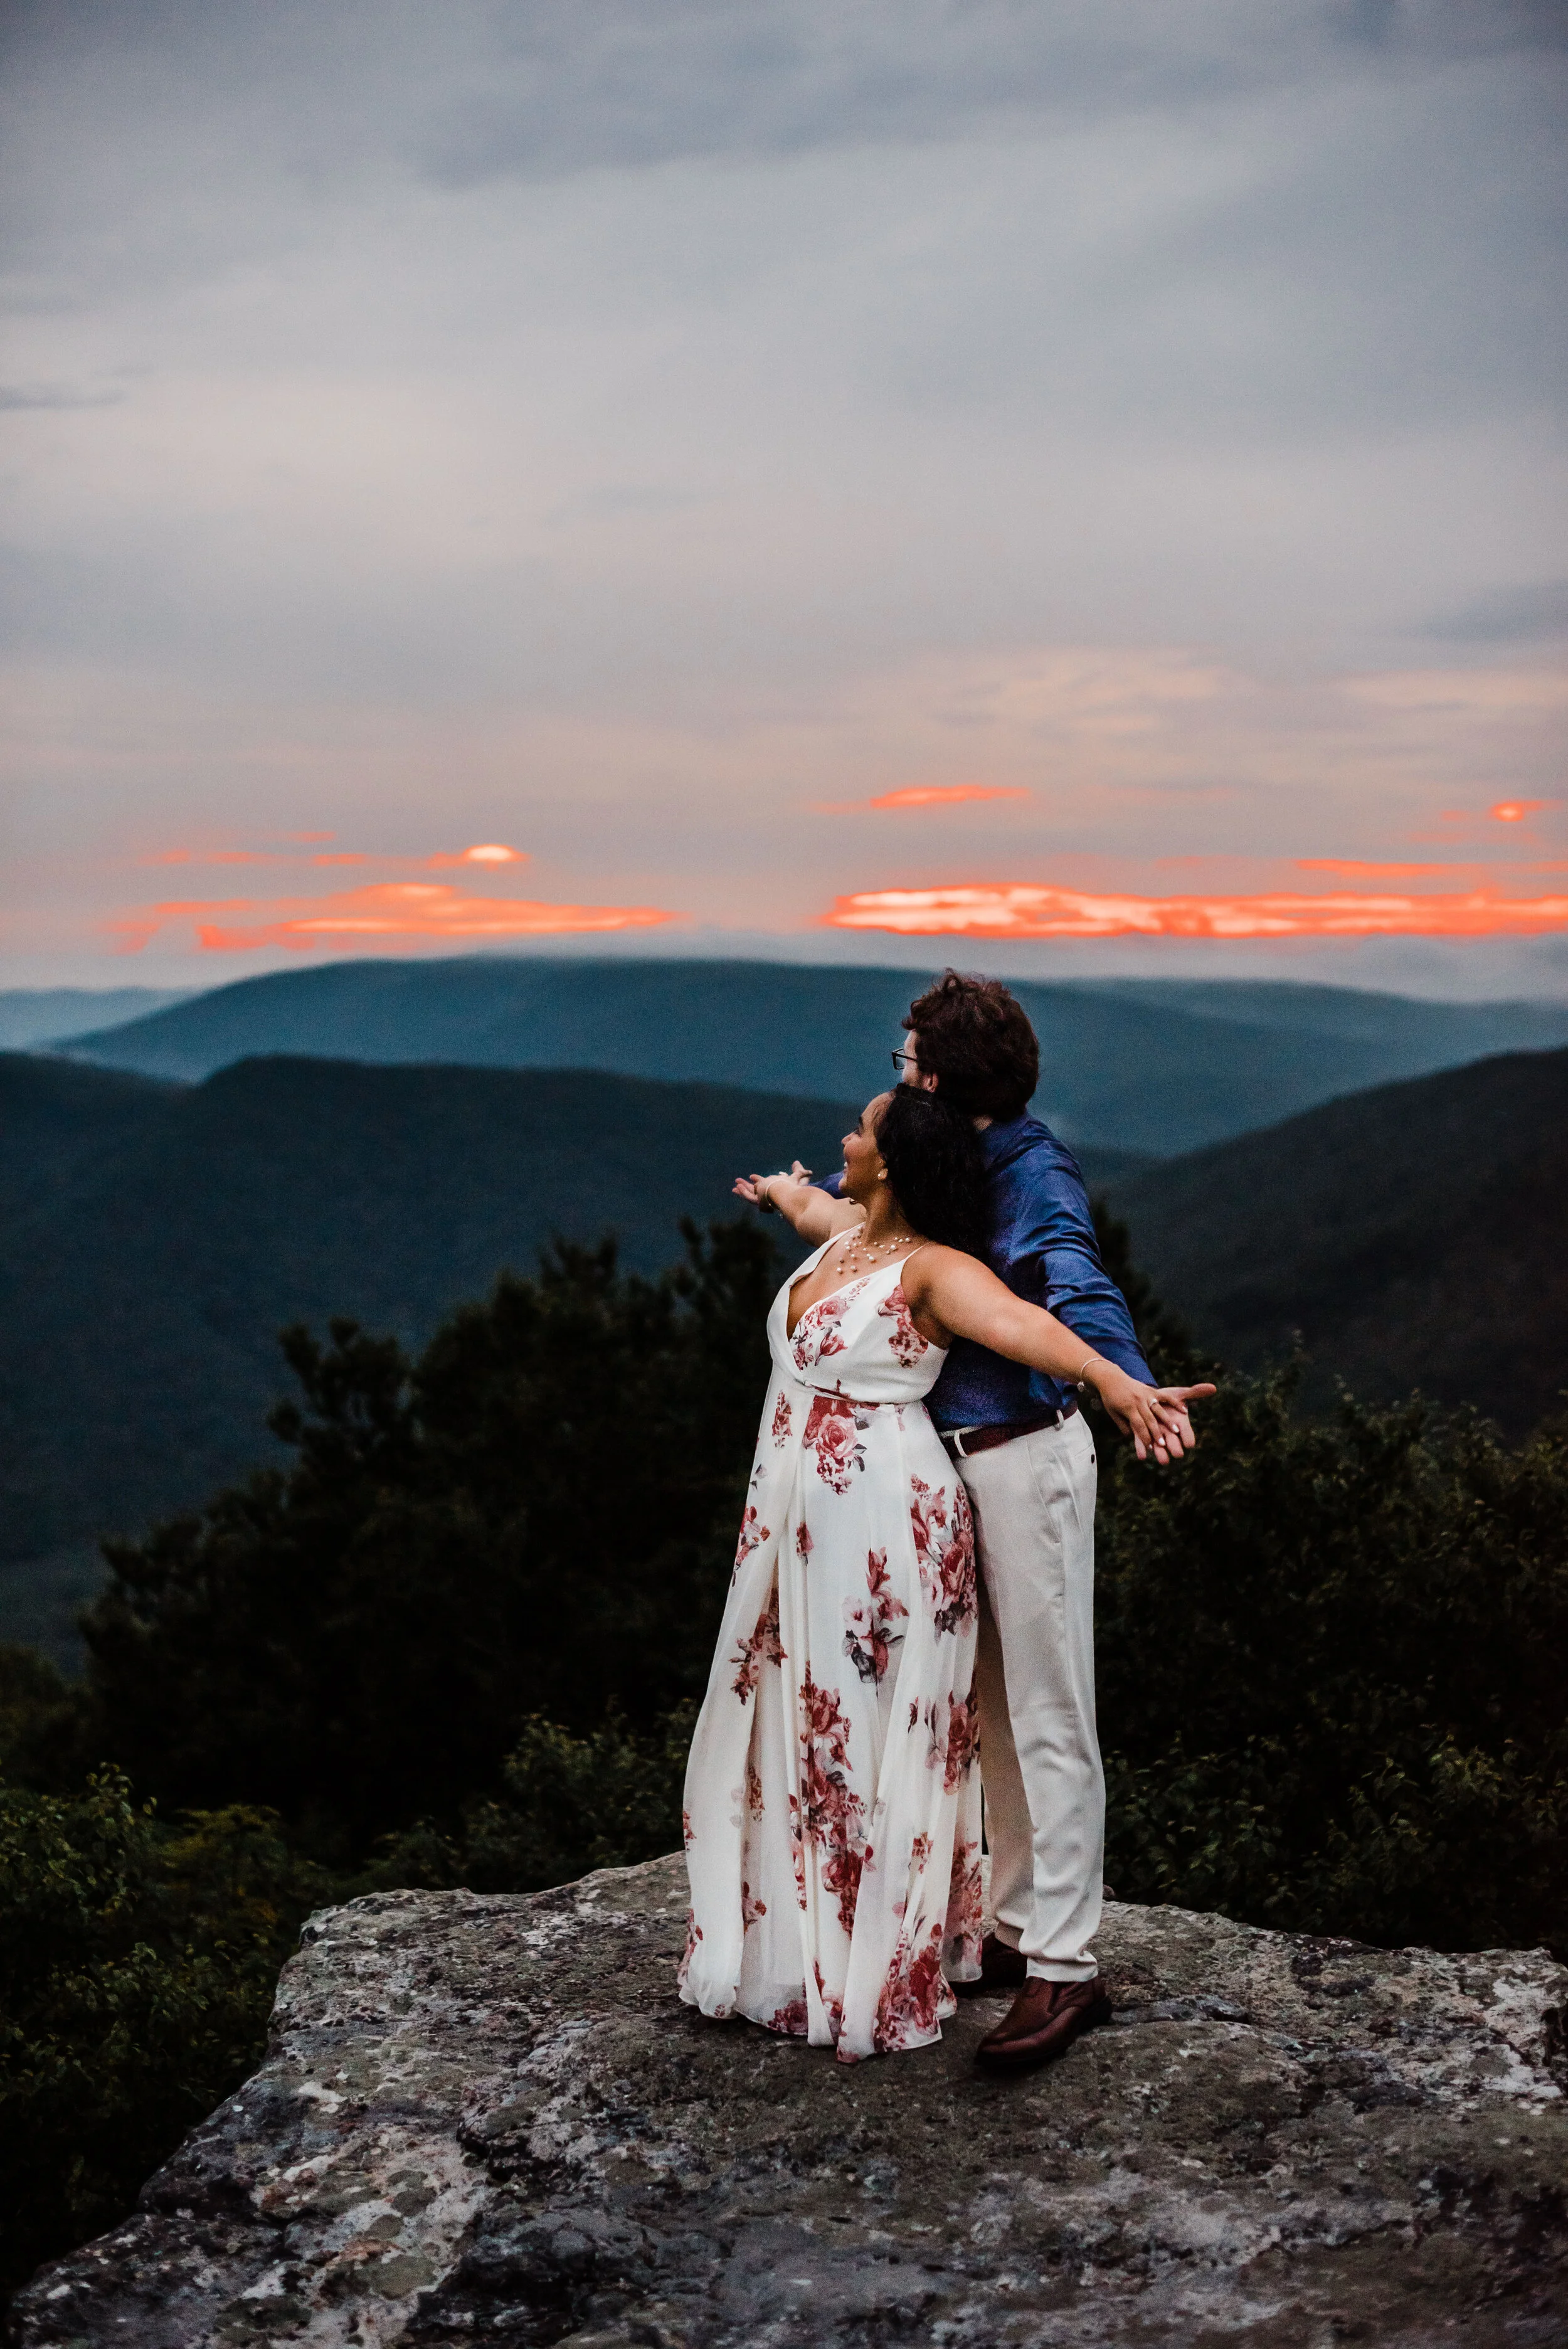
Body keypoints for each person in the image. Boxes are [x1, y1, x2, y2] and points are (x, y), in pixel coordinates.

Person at [681, 1084, 1210, 2067]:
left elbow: (1032, 1325)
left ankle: (889, 1956)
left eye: (860, 1130)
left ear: (894, 1163)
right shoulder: (847, 1232)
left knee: (875, 1727)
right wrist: (780, 1193)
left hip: (885, 1528)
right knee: (801, 1715)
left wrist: (1120, 1383)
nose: (844, 1135)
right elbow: (814, 1211)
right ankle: (819, 1941)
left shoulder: (936, 1270)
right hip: (803, 1527)